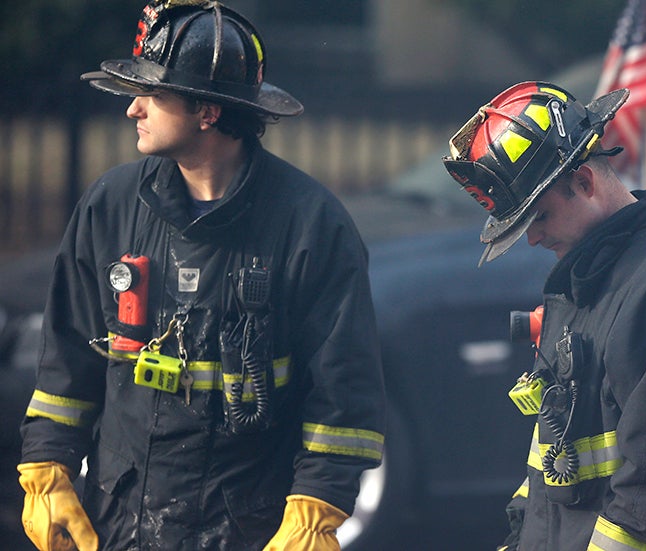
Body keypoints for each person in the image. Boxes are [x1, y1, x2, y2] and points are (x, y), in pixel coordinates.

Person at [17, 1, 385, 550]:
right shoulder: (111, 205)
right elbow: (67, 358)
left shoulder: (310, 226)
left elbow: (343, 394)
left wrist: (316, 511)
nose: (132, 109)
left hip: (247, 531)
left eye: (153, 94)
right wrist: (48, 467)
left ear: (208, 112)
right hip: (118, 527)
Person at [442, 81, 646, 550]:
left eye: (540, 218)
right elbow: (552, 457)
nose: (532, 239)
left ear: (585, 182)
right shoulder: (582, 283)